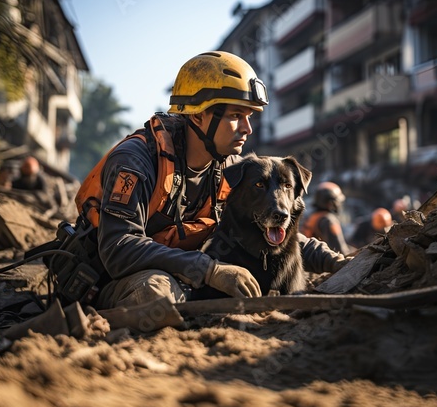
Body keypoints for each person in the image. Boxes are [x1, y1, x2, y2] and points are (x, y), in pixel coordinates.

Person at [69, 52, 347, 320]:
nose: (247, 128)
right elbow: (118, 249)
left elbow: (271, 228)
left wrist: (336, 262)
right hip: (111, 280)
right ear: (198, 116)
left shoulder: (227, 169)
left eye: (250, 116)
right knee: (156, 293)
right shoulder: (136, 161)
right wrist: (209, 270)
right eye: (236, 116)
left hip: (184, 276)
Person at [301, 181, 352, 255]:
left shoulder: (312, 216)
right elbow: (341, 251)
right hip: (321, 263)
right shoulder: (329, 220)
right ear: (331, 203)